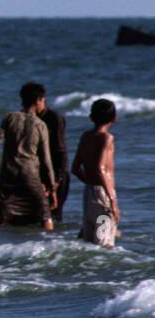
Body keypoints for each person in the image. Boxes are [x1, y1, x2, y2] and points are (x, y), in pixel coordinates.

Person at [0, 82, 56, 230]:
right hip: (30, 174)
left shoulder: (9, 117)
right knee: (45, 215)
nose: (44, 104)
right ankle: (51, 242)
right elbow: (46, 160)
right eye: (43, 100)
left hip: (9, 173)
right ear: (38, 100)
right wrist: (52, 190)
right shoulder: (40, 125)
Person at [72, 98, 119, 246]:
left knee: (90, 240)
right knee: (104, 243)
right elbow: (100, 168)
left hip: (88, 193)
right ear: (114, 118)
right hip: (103, 194)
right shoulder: (106, 138)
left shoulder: (86, 136)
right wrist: (112, 201)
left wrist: (90, 182)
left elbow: (75, 168)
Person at [39, 97, 69, 222]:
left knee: (54, 215)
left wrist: (56, 180)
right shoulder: (26, 118)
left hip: (56, 173)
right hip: (40, 173)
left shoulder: (54, 118)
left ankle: (53, 240)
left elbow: (60, 150)